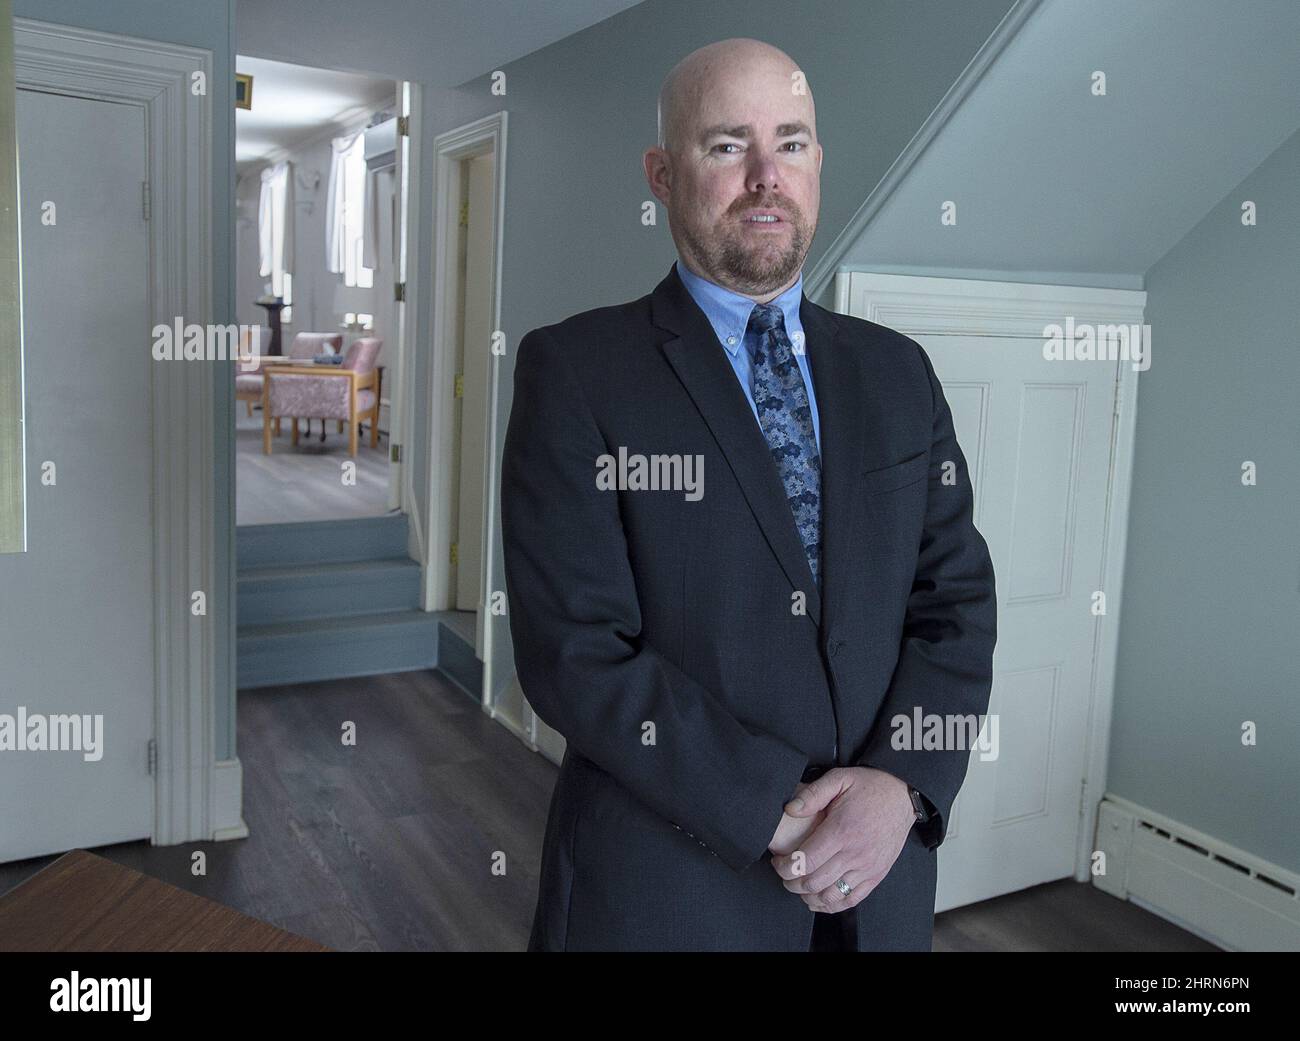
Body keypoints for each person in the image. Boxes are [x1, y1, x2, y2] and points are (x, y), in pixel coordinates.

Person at [501, 37, 996, 951]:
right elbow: (577, 651)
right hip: (667, 892)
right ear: (661, 172)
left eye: (793, 143)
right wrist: (780, 809)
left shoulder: (898, 374)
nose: (767, 175)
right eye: (728, 145)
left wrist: (903, 785)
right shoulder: (574, 372)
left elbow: (955, 600)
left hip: (879, 885)